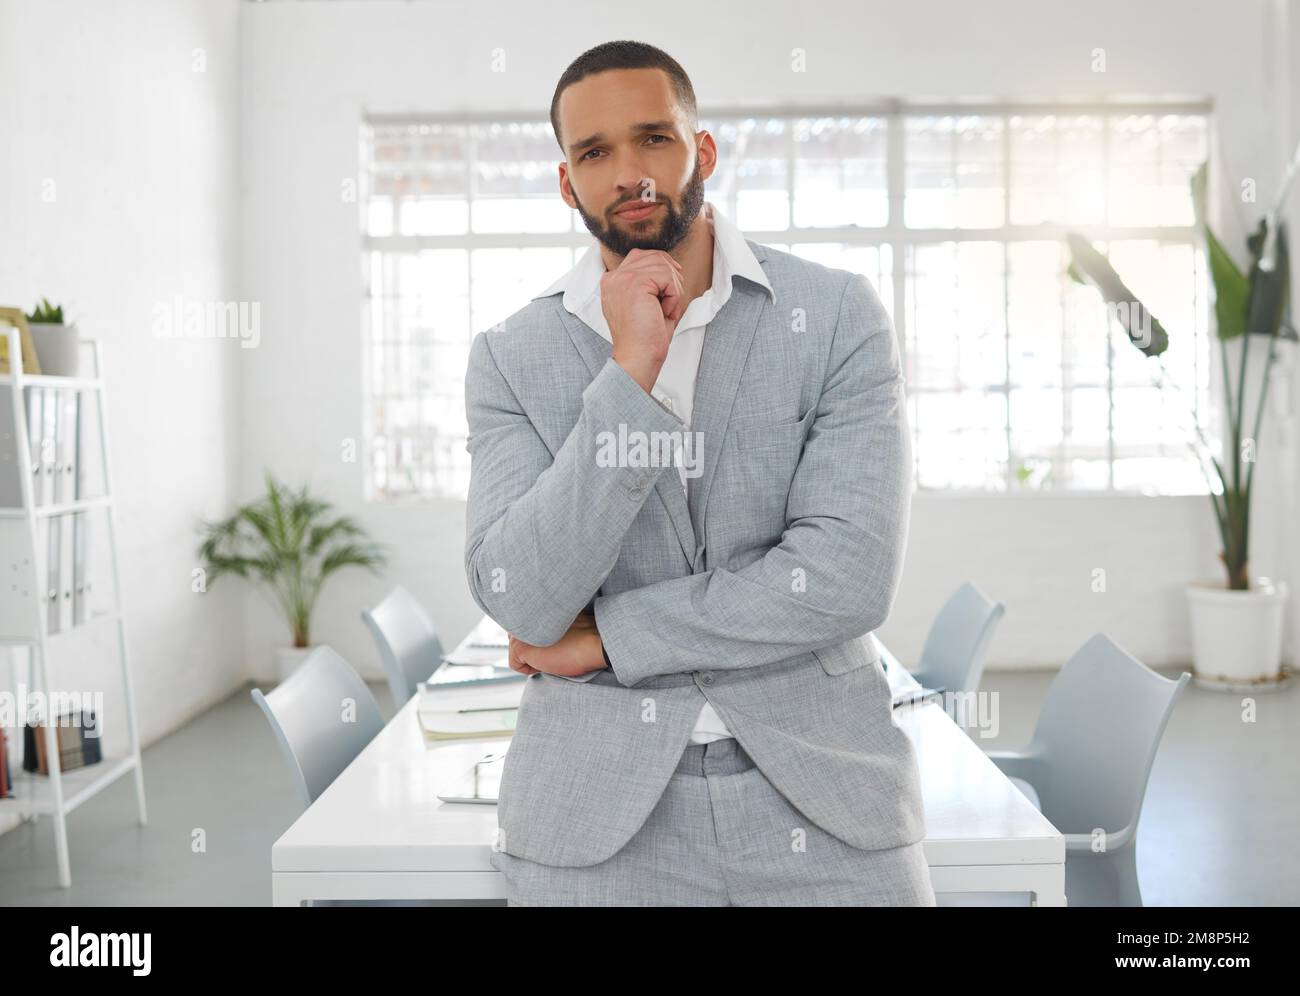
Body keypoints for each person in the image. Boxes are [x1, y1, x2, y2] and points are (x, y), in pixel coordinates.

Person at [463, 39, 933, 906]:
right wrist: (630, 373)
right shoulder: (509, 358)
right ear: (568, 184)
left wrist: (606, 641)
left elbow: (848, 578)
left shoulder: (834, 317)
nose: (629, 174)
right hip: (594, 817)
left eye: (654, 139)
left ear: (702, 152)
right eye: (594, 153)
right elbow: (523, 597)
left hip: (828, 797)